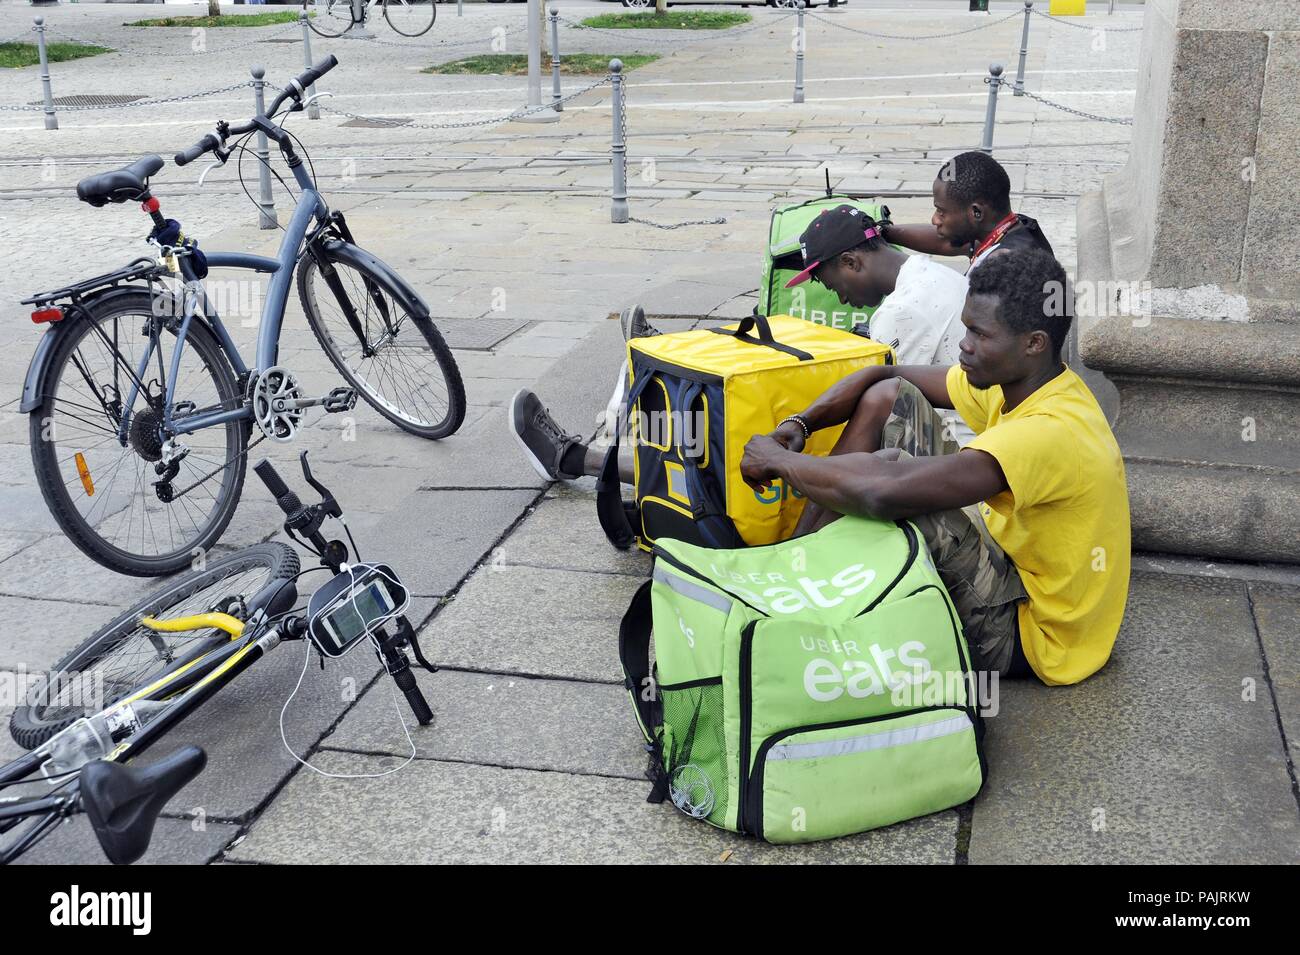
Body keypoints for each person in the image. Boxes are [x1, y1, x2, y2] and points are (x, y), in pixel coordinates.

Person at [738, 250, 1129, 685]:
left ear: (1033, 343)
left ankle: (794, 591)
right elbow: (881, 379)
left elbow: (882, 491)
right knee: (890, 398)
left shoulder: (1051, 432)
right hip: (1014, 564)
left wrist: (780, 461)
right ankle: (796, 566)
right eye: (965, 327)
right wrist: (800, 424)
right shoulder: (1032, 381)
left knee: (887, 475)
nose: (964, 344)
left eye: (980, 334)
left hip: (1029, 636)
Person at [882, 151, 1054, 273]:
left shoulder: (1004, 266)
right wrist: (883, 232)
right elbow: (944, 242)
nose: (935, 219)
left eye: (941, 212)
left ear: (976, 212)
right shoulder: (1010, 229)